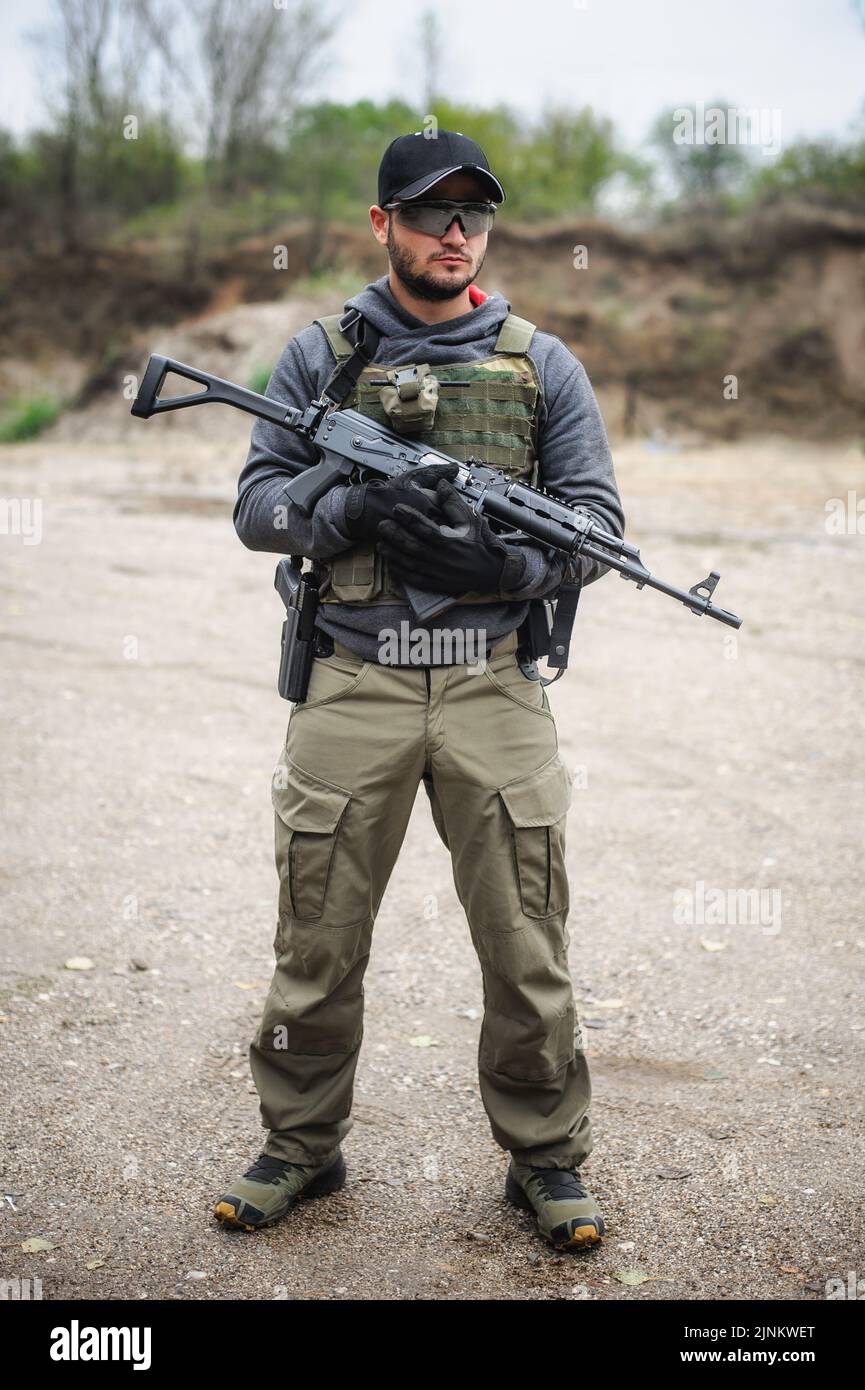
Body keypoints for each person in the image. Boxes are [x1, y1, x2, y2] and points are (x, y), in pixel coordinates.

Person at [213, 130, 625, 1250]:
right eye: (431, 212)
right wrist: (338, 510)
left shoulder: (543, 364)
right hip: (353, 681)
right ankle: (300, 1145)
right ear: (381, 224)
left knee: (525, 938)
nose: (455, 232)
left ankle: (545, 1159)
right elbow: (257, 509)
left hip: (494, 680)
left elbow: (598, 530)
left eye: (473, 215)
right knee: (318, 934)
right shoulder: (317, 357)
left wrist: (505, 567)